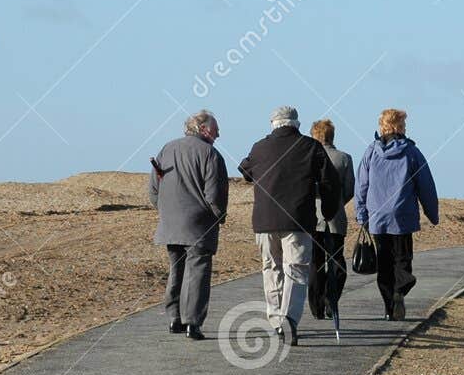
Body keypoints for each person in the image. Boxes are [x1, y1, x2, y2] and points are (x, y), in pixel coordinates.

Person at [238, 106, 338, 346]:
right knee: (296, 270)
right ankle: (289, 319)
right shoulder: (311, 147)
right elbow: (330, 182)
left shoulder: (259, 147)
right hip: (298, 220)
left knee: (271, 269)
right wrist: (327, 211)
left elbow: (244, 170)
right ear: (296, 124)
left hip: (264, 221)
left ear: (273, 124)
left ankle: (276, 321)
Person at [149, 110, 229, 340]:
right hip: (199, 224)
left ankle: (174, 318)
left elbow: (154, 188)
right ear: (203, 129)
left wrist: (165, 210)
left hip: (170, 223)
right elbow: (214, 194)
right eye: (215, 129)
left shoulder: (167, 148)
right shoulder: (210, 154)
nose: (219, 134)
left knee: (176, 270)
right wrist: (219, 217)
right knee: (197, 273)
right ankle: (192, 323)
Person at [355, 108, 439, 321]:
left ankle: (388, 308)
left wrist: (361, 214)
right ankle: (400, 291)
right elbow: (425, 185)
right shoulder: (412, 152)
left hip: (377, 217)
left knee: (384, 263)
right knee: (403, 259)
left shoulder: (371, 152)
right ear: (400, 127)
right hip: (402, 215)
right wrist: (432, 214)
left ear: (382, 127)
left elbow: (361, 186)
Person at [306, 119, 355, 322]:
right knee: (337, 262)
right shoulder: (344, 158)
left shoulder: (307, 158)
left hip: (312, 218)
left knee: (315, 263)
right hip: (335, 217)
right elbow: (350, 189)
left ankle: (316, 306)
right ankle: (330, 298)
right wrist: (339, 201)